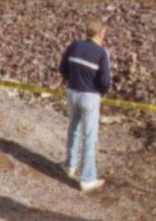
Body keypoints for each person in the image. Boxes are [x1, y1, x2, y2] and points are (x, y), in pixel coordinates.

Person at [60, 20, 111, 192]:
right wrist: (99, 91)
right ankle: (87, 178)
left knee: (73, 127)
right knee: (89, 136)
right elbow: (105, 81)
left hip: (72, 92)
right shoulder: (101, 53)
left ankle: (70, 165)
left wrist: (72, 81)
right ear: (100, 34)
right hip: (90, 96)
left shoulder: (75, 45)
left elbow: (63, 68)